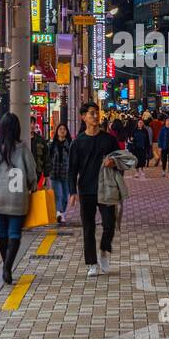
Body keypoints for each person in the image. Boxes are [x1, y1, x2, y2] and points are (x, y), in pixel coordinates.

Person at [0, 113, 37, 284]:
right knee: (14, 233)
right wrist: (33, 186)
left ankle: (5, 264)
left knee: (2, 232)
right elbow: (31, 172)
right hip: (18, 199)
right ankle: (7, 267)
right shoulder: (23, 148)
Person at [68, 103, 120, 277]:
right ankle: (91, 263)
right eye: (91, 114)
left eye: (97, 113)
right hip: (86, 190)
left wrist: (113, 163)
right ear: (83, 117)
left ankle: (104, 250)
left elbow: (121, 160)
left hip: (106, 188)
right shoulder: (78, 142)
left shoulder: (109, 139)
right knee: (88, 228)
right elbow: (72, 169)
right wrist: (72, 192)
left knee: (109, 224)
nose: (95, 116)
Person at [50, 122, 72, 223]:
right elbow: (48, 159)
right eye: (60, 129)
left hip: (66, 174)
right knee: (58, 194)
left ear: (66, 132)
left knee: (65, 196)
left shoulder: (70, 145)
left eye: (64, 129)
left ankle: (61, 213)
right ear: (57, 132)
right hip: (55, 173)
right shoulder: (52, 144)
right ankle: (58, 212)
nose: (62, 131)